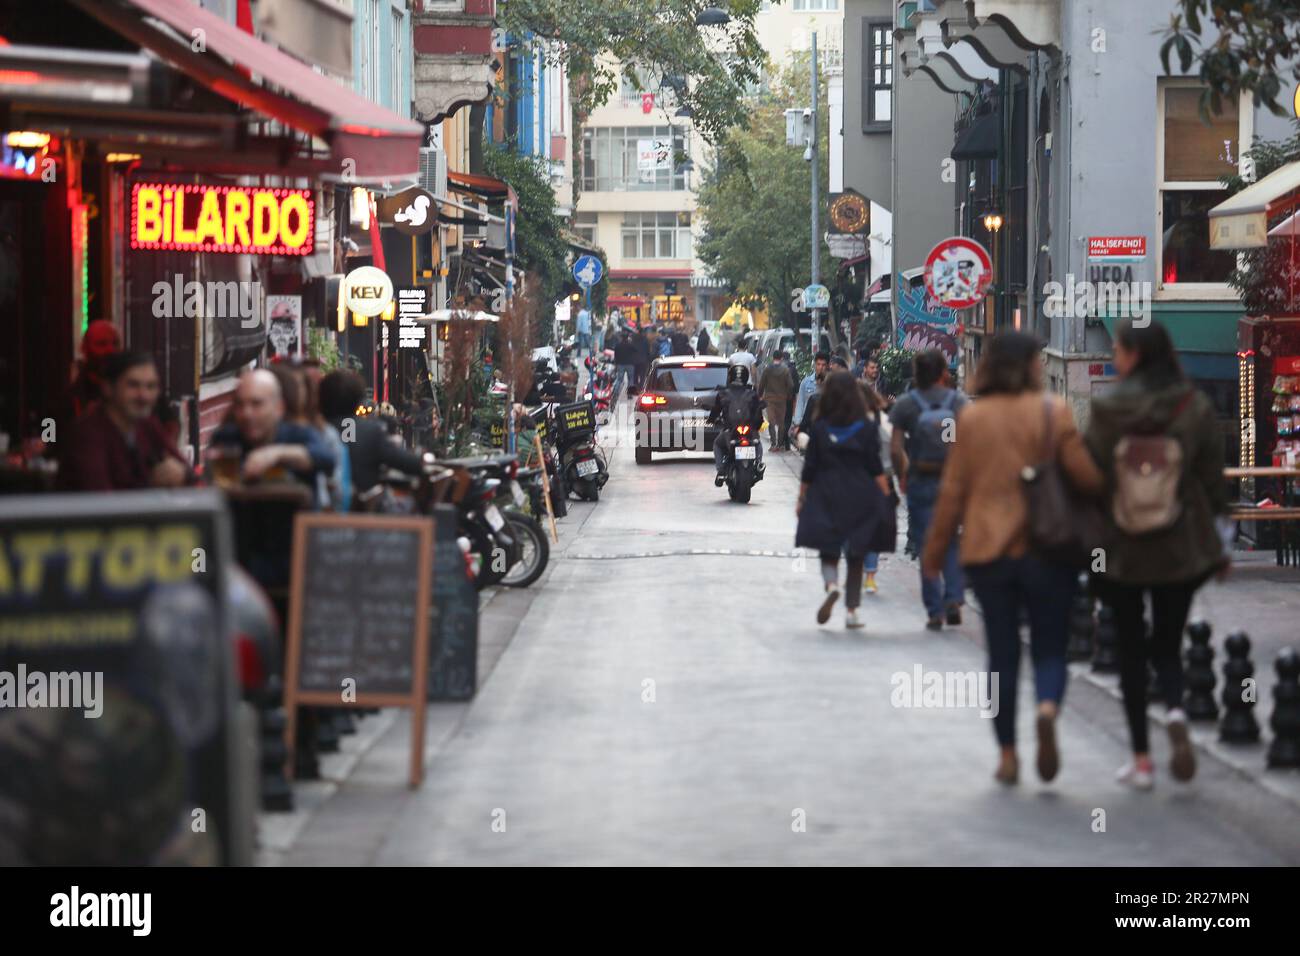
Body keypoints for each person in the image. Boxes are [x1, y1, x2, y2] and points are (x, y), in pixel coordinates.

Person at [922, 333, 1104, 785]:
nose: (1042, 367)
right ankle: (1046, 707)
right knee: (1048, 641)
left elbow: (952, 490)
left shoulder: (973, 418)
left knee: (1001, 652)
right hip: (1047, 547)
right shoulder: (1053, 412)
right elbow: (1085, 478)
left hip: (989, 551)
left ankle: (1007, 753)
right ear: (1026, 366)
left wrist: (933, 550)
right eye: (1038, 361)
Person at [1084, 320, 1229, 791]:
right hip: (1179, 543)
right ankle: (1176, 710)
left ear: (1132, 356)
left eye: (1120, 350)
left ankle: (1142, 761)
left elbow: (1092, 477)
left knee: (1129, 648)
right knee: (1168, 642)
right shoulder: (1194, 405)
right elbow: (1212, 480)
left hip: (1123, 546)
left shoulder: (1109, 409)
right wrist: (1220, 540)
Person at [796, 370, 892, 630]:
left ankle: (830, 585)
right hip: (860, 494)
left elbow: (810, 467)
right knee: (856, 554)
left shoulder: (820, 427)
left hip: (826, 492)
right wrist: (885, 495)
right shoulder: (867, 427)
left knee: (829, 548)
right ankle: (852, 612)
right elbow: (875, 465)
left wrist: (802, 496)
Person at [890, 349, 967, 630]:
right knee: (951, 541)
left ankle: (934, 609)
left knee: (926, 544)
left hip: (921, 481)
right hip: (953, 482)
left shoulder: (907, 405)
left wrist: (904, 474)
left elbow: (896, 448)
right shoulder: (958, 403)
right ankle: (954, 596)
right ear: (943, 373)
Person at [61, 351, 191, 492]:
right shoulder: (87, 434)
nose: (144, 396)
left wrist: (183, 474)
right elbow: (101, 503)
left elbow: (192, 476)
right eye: (133, 385)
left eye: (151, 386)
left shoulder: (147, 425)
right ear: (108, 388)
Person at [209, 368, 336, 486]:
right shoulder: (226, 438)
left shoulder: (299, 435)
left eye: (256, 404)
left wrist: (277, 454)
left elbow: (327, 458)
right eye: (240, 404)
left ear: (279, 408)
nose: (246, 414)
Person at [319, 370, 423, 504]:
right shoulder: (371, 432)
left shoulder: (311, 431)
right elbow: (409, 463)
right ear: (358, 400)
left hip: (312, 516)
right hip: (365, 517)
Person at [708, 362, 765, 486]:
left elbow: (715, 410)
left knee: (717, 444)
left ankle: (721, 470)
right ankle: (759, 464)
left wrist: (711, 420)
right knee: (757, 442)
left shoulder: (723, 393)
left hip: (731, 430)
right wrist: (757, 426)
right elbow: (759, 415)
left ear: (730, 377)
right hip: (749, 431)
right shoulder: (752, 393)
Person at [70, 319, 122, 418]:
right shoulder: (72, 400)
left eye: (115, 343)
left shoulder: (133, 392)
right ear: (85, 349)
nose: (110, 350)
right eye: (102, 344)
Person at [758, 350, 796, 452]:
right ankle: (780, 444)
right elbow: (791, 385)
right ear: (782, 358)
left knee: (771, 421)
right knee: (781, 423)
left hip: (770, 399)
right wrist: (788, 396)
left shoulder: (767, 369)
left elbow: (761, 384)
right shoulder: (785, 370)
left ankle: (773, 444)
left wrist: (760, 395)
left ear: (773, 358)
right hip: (782, 399)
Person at [791, 352, 829, 444]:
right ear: (814, 365)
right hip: (808, 424)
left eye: (823, 365)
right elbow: (800, 403)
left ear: (827, 366)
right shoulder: (806, 382)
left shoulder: (832, 382)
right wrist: (797, 423)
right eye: (818, 364)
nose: (821, 367)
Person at [612, 330, 639, 400]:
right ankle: (629, 394)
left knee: (619, 379)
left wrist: (616, 364)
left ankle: (616, 392)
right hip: (630, 364)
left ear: (621, 337)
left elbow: (615, 356)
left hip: (620, 364)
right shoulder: (631, 345)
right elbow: (636, 351)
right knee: (630, 379)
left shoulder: (618, 345)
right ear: (628, 337)